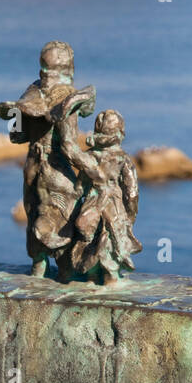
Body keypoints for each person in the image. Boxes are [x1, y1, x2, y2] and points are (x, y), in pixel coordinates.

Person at [0, 41, 96, 279]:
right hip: (57, 168)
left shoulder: (31, 91)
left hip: (32, 166)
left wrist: (14, 114)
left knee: (34, 216)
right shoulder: (67, 97)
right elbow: (69, 147)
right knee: (64, 221)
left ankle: (37, 271)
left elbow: (16, 136)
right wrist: (94, 169)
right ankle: (64, 273)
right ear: (69, 67)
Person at [71, 109, 142, 284]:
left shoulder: (89, 156)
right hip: (114, 206)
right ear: (120, 132)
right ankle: (111, 278)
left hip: (91, 205)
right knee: (111, 243)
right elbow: (132, 193)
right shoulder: (123, 159)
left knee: (89, 243)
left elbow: (79, 187)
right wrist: (131, 215)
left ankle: (92, 277)